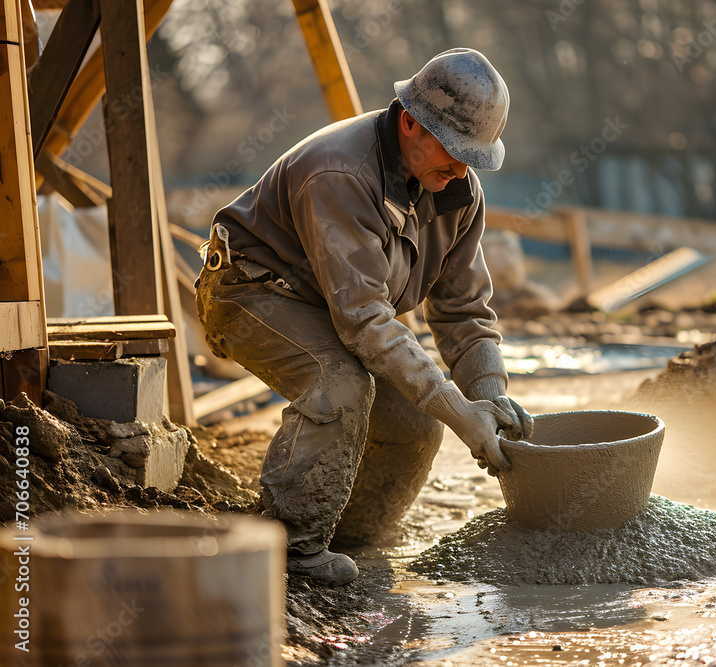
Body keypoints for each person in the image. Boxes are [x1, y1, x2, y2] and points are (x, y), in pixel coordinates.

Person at [195, 48, 532, 585]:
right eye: (453, 151)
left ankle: (353, 533)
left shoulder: (457, 191)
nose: (462, 169)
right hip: (251, 292)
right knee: (339, 384)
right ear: (409, 122)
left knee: (416, 422)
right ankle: (289, 548)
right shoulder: (341, 173)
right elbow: (365, 321)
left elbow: (464, 310)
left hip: (337, 304)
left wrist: (489, 397)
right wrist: (458, 410)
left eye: (474, 158)